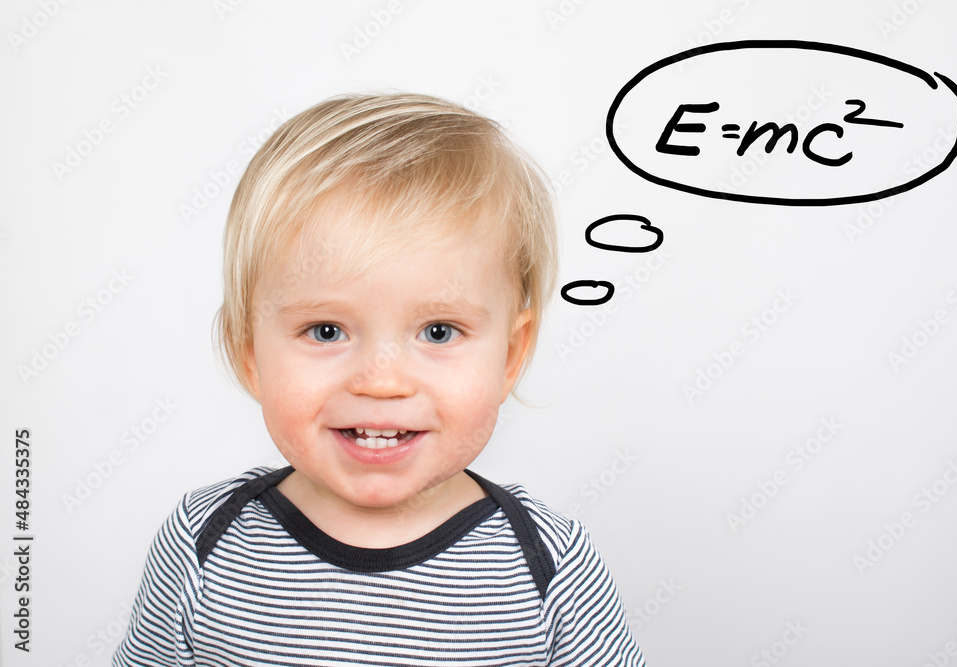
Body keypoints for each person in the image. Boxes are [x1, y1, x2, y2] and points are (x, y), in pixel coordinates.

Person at [112, 92, 646, 666]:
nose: (381, 382)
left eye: (438, 332)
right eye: (326, 331)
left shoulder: (549, 564)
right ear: (250, 353)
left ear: (510, 355)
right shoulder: (203, 542)